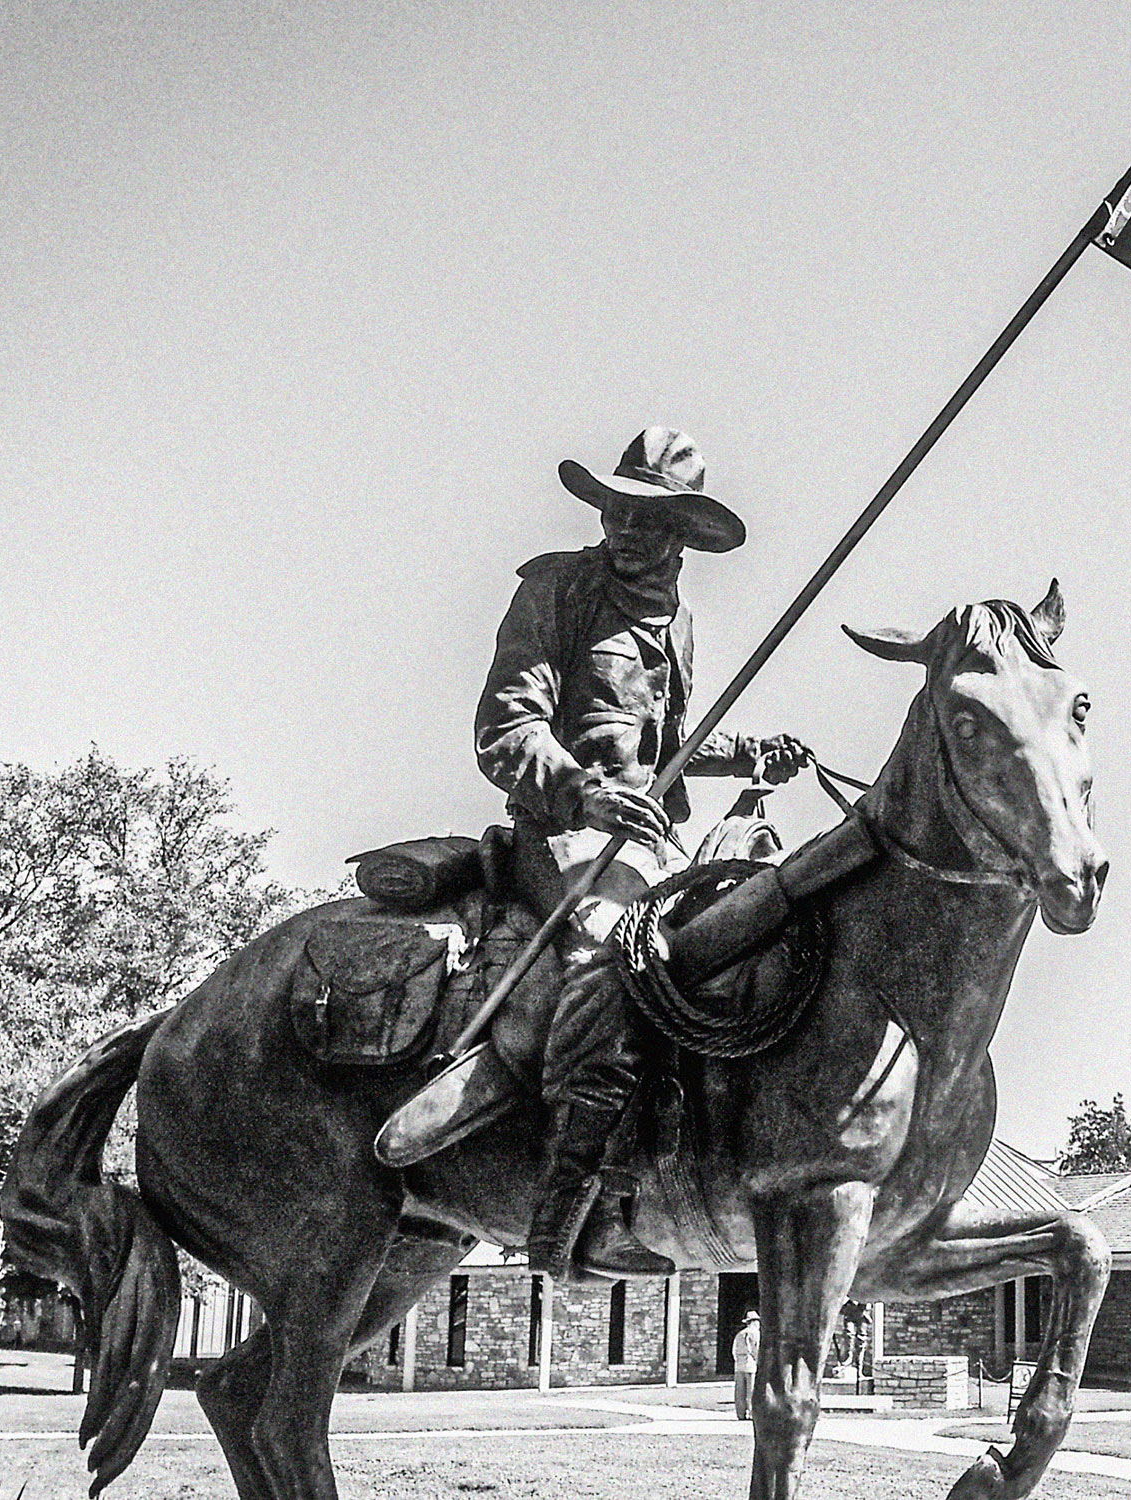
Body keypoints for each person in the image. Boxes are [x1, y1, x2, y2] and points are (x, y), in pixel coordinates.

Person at [475, 426, 807, 1278]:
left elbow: (665, 747)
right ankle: (570, 1209)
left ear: (683, 537)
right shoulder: (557, 587)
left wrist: (744, 755)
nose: (627, 528)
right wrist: (581, 789)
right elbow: (504, 728)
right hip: (566, 832)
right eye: (619, 509)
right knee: (613, 957)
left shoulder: (682, 624)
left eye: (650, 519)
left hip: (656, 845)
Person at [732, 1311, 762, 1419]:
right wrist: (758, 1362)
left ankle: (740, 1413)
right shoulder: (755, 1333)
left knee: (739, 1391)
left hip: (739, 1365)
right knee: (751, 1390)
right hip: (750, 1365)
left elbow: (734, 1351)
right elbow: (756, 1350)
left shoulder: (740, 1334)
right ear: (754, 1322)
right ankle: (751, 1413)